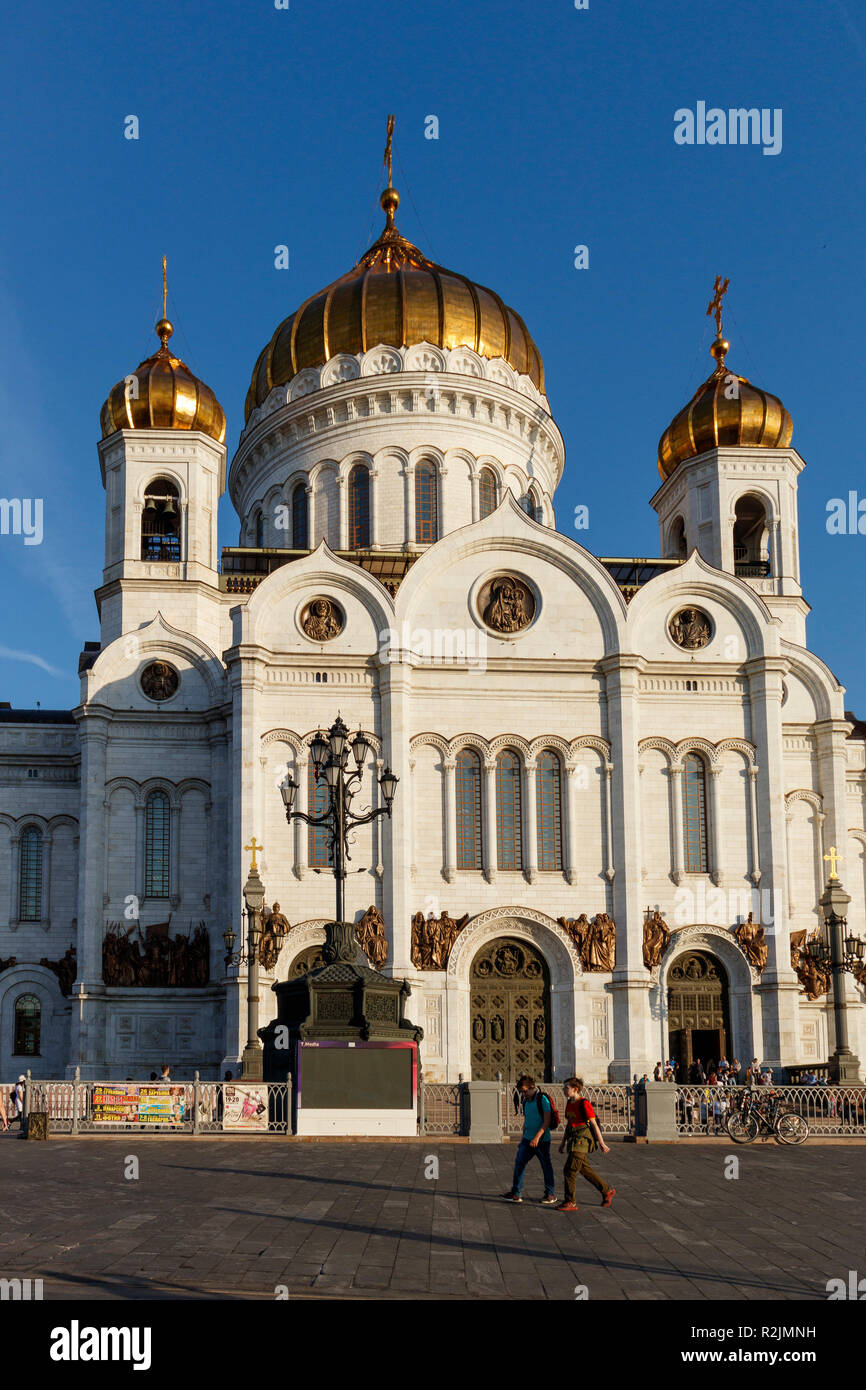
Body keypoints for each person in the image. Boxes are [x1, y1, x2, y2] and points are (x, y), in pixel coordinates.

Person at [556, 1077, 615, 1213]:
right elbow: (569, 1124)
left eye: (566, 1088)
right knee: (584, 1169)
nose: (564, 1090)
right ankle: (607, 1191)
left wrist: (602, 1143)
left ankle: (570, 1201)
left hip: (582, 1141)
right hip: (573, 1139)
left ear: (575, 1089)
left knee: (569, 1170)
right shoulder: (569, 1102)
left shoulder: (584, 1103)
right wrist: (563, 1142)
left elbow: (594, 1124)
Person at [501, 1075, 557, 1205]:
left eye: (525, 1091)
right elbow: (527, 1122)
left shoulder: (543, 1099)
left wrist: (537, 1137)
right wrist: (523, 1139)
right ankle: (516, 1193)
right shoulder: (526, 1101)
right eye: (521, 1092)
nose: (523, 1094)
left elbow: (547, 1121)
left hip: (542, 1140)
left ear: (532, 1087)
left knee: (546, 1166)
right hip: (527, 1139)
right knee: (519, 1163)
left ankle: (550, 1194)